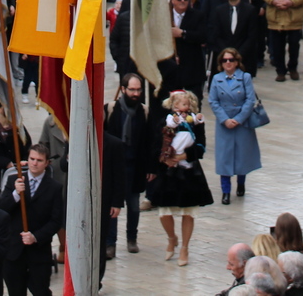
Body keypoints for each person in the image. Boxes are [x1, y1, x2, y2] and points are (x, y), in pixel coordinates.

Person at [147, 90, 212, 266]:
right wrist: (164, 158)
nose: (182, 107)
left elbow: (201, 145)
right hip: (168, 171)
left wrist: (184, 156)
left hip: (189, 171)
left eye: (185, 103)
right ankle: (171, 237)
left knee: (188, 212)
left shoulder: (196, 121)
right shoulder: (166, 120)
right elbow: (157, 142)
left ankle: (185, 248)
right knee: (163, 211)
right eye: (178, 104)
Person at [0, 146, 63, 296]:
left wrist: (36, 237)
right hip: (14, 251)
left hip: (39, 253)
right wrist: (15, 194)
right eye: (32, 159)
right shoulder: (13, 180)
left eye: (39, 160)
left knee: (41, 291)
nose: (34, 163)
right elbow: (1, 210)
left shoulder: (54, 188)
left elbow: (56, 221)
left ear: (47, 163)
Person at [207, 47, 262, 204]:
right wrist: (225, 119)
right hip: (224, 124)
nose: (228, 63)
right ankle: (225, 191)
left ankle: (241, 183)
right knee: (224, 159)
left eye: (231, 60)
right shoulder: (217, 79)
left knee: (241, 156)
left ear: (237, 62)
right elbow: (213, 101)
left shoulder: (245, 78)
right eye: (225, 60)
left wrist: (238, 119)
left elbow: (250, 100)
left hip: (242, 123)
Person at [103, 74, 150, 256]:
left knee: (133, 205)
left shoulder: (144, 112)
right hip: (114, 167)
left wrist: (150, 168)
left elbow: (149, 141)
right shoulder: (111, 109)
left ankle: (132, 238)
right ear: (123, 89)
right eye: (132, 89)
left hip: (135, 166)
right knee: (113, 205)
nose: (136, 93)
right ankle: (110, 242)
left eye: (138, 90)